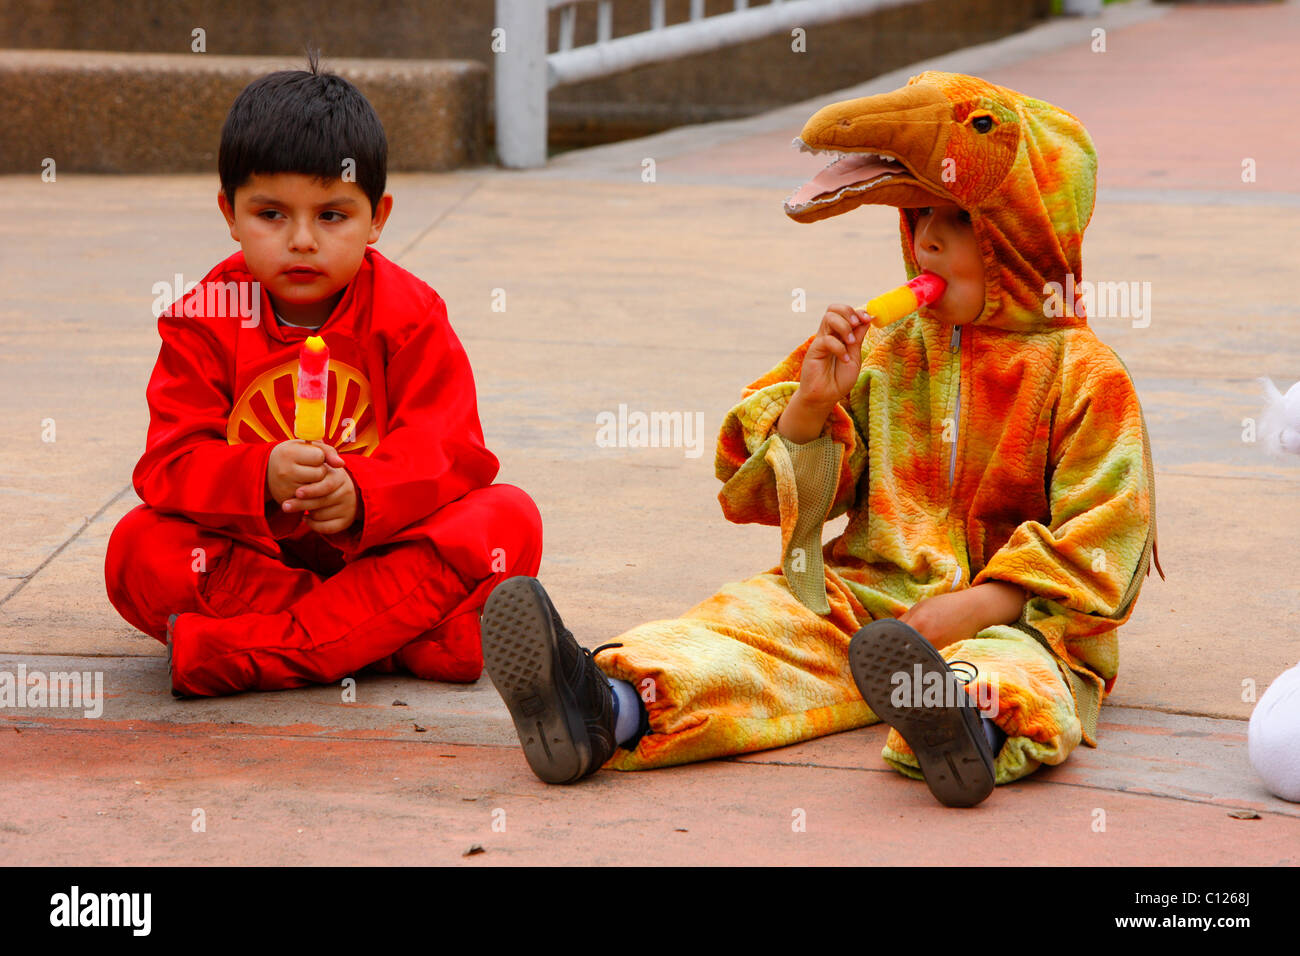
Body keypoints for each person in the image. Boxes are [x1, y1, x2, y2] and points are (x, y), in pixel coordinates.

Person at [479, 71, 1163, 807]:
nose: (927, 238)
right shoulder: (889, 347)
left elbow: (1104, 539)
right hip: (866, 598)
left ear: (1024, 232)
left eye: (957, 219)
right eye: (917, 215)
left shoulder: (1086, 375)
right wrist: (810, 407)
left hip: (1023, 617)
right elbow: (791, 497)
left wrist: (972, 608)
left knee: (1016, 668)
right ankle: (604, 708)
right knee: (752, 624)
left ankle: (966, 725)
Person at [104, 53, 541, 697]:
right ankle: (394, 638)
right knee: (137, 549)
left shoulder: (410, 314)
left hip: (378, 548)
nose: (302, 240)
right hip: (259, 557)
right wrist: (259, 475)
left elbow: (452, 450)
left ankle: (244, 654)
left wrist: (364, 492)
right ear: (229, 212)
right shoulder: (204, 317)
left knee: (508, 518)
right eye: (271, 214)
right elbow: (168, 464)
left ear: (378, 218)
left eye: (331, 215)